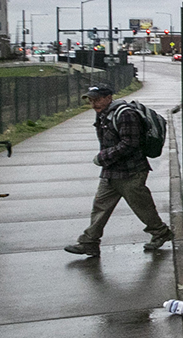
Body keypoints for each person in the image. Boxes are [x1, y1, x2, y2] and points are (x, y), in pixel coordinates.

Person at [63, 83, 173, 256]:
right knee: (100, 207)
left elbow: (130, 143)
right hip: (112, 171)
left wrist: (103, 157)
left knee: (142, 206)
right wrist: (106, 160)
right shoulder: (104, 114)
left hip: (131, 171)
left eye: (97, 100)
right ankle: (89, 242)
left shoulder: (125, 114)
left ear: (108, 98)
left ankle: (161, 232)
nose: (93, 104)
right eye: (91, 101)